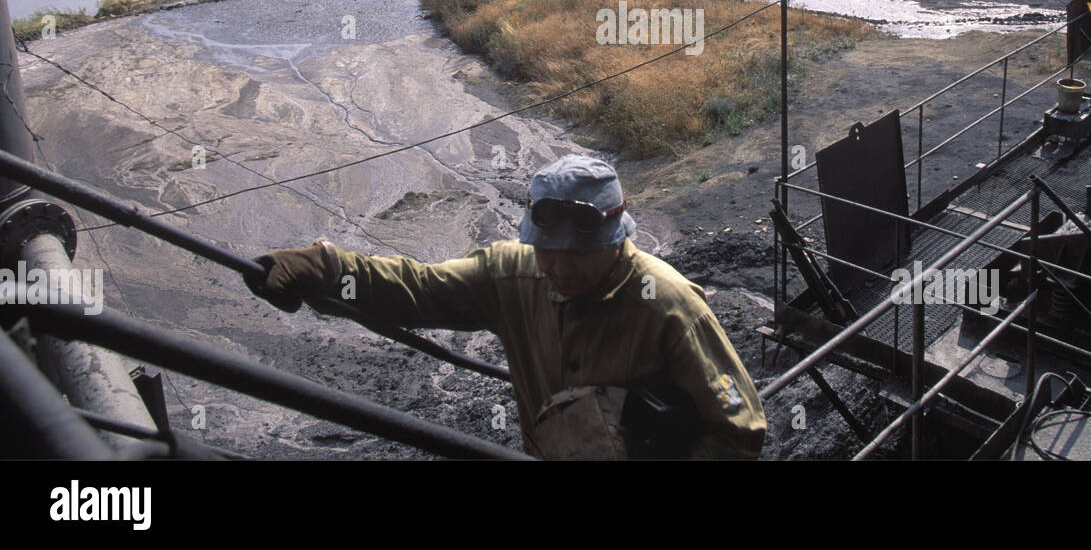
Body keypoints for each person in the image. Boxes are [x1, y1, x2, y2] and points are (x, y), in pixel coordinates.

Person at [246, 154, 766, 459]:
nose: (561, 268)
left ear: (616, 237)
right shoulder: (511, 276)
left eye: (580, 253)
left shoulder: (669, 306)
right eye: (548, 251)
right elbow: (419, 287)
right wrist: (326, 269)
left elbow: (736, 430)